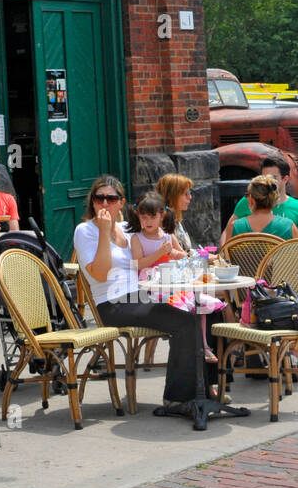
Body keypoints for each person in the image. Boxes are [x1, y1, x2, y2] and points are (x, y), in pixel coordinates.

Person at [73, 176, 199, 411]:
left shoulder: (127, 229)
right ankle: (178, 399)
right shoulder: (85, 230)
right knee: (184, 322)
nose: (104, 203)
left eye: (110, 198)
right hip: (113, 303)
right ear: (92, 202)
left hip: (141, 295)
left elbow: (158, 226)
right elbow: (100, 275)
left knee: (202, 312)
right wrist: (103, 232)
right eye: (98, 198)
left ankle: (208, 388)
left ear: (120, 203)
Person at [127, 191, 222, 365]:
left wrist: (174, 253)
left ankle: (204, 345)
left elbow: (183, 256)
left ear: (161, 216)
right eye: (144, 217)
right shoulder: (137, 238)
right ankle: (191, 346)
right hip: (153, 286)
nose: (148, 222)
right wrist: (159, 253)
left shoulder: (167, 235)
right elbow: (138, 264)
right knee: (182, 308)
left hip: (172, 280)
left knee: (198, 303)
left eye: (152, 217)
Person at [220, 154, 298, 246]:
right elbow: (226, 232)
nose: (267, 182)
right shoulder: (247, 200)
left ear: (285, 179)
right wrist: (223, 254)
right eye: (264, 177)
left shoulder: (295, 207)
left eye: (273, 178)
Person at [155, 174, 195, 253]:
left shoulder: (175, 220)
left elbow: (187, 252)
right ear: (173, 195)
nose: (190, 197)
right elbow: (181, 255)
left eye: (189, 192)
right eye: (186, 193)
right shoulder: (161, 223)